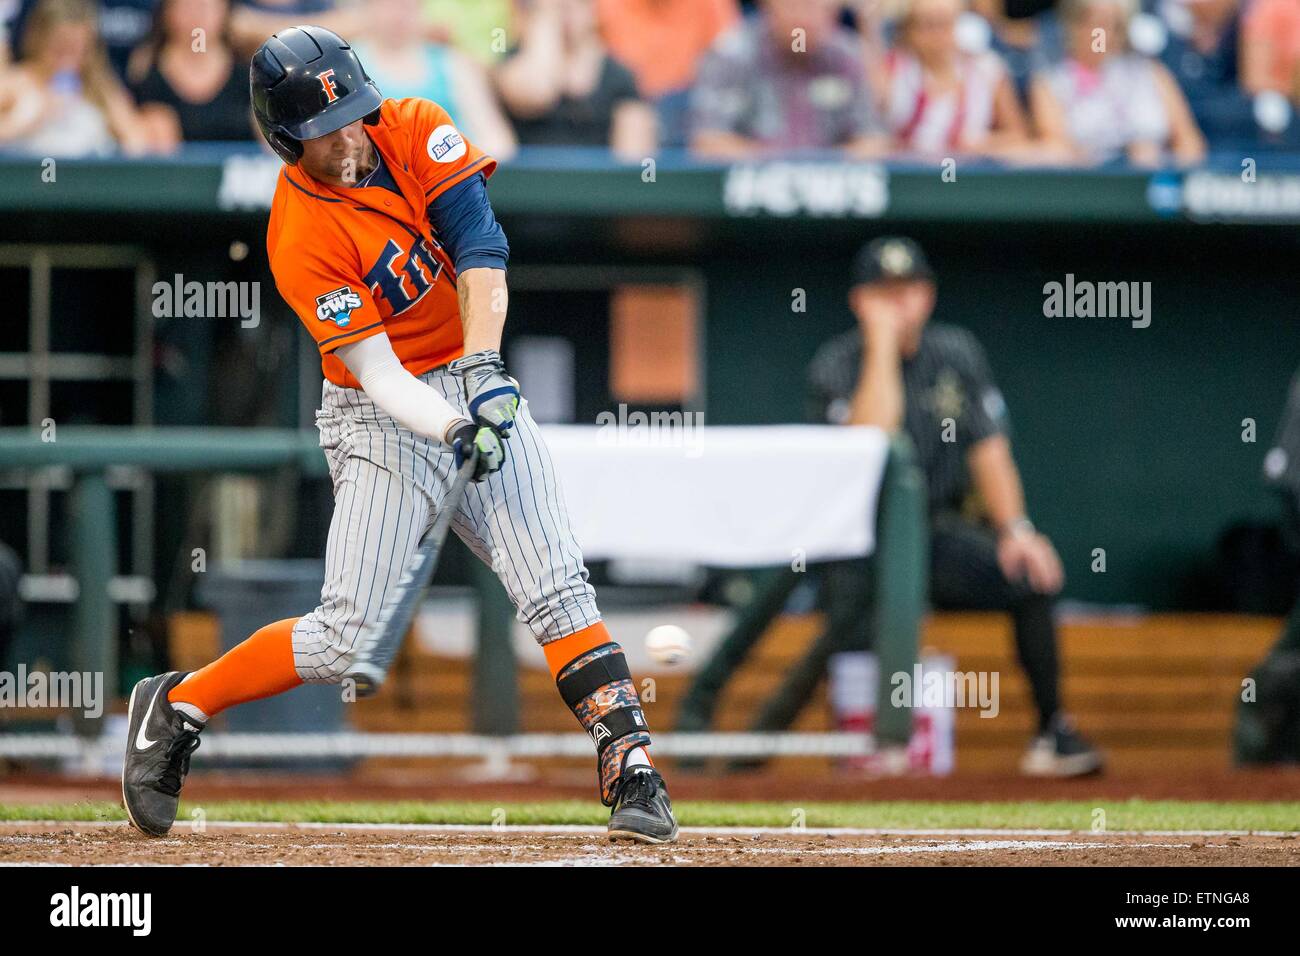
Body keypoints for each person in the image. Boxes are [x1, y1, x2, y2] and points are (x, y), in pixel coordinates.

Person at [120, 25, 678, 844]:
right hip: (378, 416)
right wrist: (453, 424)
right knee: (342, 637)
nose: (348, 138)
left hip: (471, 372)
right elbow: (380, 375)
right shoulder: (299, 234)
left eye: (351, 115)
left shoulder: (416, 125)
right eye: (324, 131)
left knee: (556, 584)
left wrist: (483, 372)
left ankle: (631, 764)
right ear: (285, 140)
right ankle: (177, 704)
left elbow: (480, 247)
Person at [806, 237, 1103, 777]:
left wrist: (1016, 529)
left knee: (1029, 575)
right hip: (861, 545)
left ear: (929, 294)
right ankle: (861, 745)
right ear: (859, 301)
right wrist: (881, 344)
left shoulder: (957, 352)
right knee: (847, 617)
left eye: (909, 288)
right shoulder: (835, 363)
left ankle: (1051, 732)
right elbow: (873, 434)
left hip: (935, 533)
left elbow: (989, 449)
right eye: (883, 291)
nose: (899, 302)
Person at [689, 0, 889, 158]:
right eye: (796, 5)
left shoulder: (848, 57)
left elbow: (874, 142)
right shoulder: (732, 54)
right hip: (747, 192)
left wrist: (823, 170)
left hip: (835, 192)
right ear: (768, 6)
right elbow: (709, 142)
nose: (805, 19)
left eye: (818, 7)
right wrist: (781, 168)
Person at [1029, 0, 1204, 166]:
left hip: (1156, 179)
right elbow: (1057, 147)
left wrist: (1161, 165)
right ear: (1074, 25)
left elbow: (1189, 142)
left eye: (1114, 24)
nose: (1104, 33)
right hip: (1091, 180)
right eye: (1097, 23)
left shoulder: (1151, 72)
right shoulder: (1052, 80)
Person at [352, 0, 516, 159]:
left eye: (406, 6)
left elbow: (497, 141)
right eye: (388, 5)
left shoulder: (453, 63)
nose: (398, 15)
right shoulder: (350, 65)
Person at [495, 0, 655, 159]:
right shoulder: (514, 62)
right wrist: (545, 29)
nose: (567, 15)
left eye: (578, 4)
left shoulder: (619, 76)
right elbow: (535, 92)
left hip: (595, 174)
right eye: (559, 7)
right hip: (531, 173)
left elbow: (633, 157)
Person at [882, 0, 1032, 159]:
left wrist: (984, 144)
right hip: (908, 168)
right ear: (909, 31)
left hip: (968, 169)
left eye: (944, 23)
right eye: (927, 25)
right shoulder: (892, 68)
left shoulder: (987, 69)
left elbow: (1017, 135)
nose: (937, 34)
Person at [0, 0, 149, 156]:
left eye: (76, 49)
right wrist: (29, 118)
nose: (67, 60)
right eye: (60, 49)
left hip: (87, 169)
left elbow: (136, 141)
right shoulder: (18, 82)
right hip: (37, 169)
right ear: (40, 40)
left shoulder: (99, 87)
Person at [596, 0, 740, 145]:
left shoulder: (712, 4)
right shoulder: (608, 5)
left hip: (689, 107)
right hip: (624, 105)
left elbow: (729, 59)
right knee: (632, 118)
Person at [128, 0, 255, 147]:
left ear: (225, 9)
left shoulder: (249, 73)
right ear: (168, 11)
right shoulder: (145, 72)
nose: (197, 15)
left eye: (205, 6)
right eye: (187, 5)